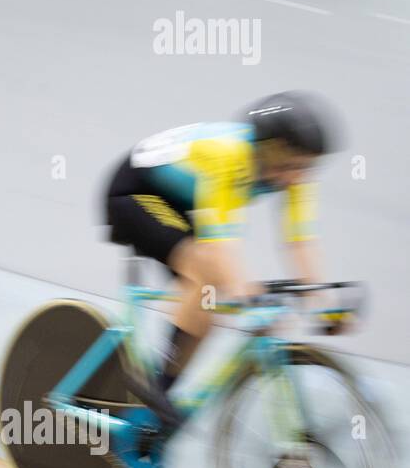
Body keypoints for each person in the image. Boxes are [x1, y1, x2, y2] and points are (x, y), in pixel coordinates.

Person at [103, 90, 343, 432]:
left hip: (180, 205)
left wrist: (323, 302)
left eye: (307, 166)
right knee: (208, 282)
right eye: (292, 164)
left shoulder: (294, 173)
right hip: (135, 194)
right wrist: (244, 292)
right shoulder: (229, 155)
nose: (298, 177)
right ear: (268, 146)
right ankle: (153, 396)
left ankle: (157, 395)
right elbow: (219, 241)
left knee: (210, 298)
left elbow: (300, 239)